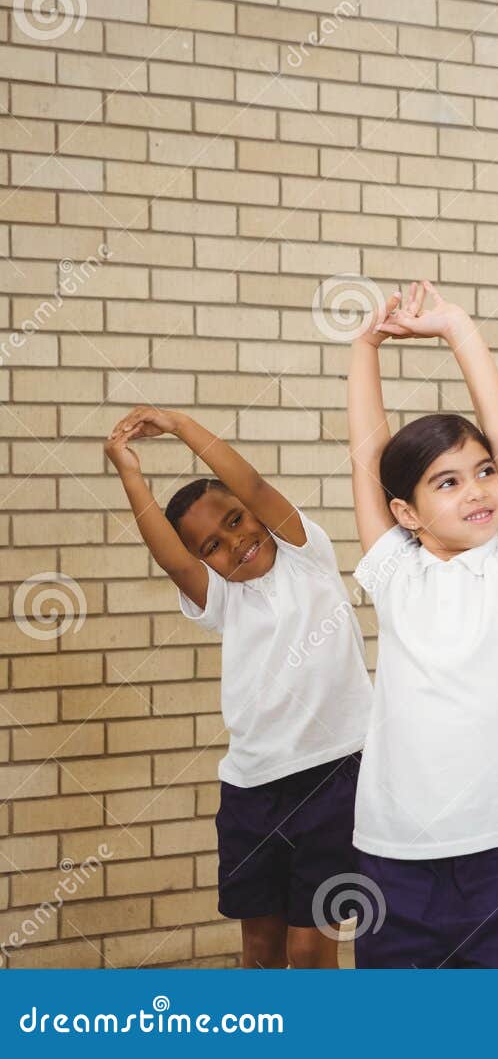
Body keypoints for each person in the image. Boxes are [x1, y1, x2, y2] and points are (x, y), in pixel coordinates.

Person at [345, 281, 498, 968]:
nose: (476, 488)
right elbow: (366, 454)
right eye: (447, 482)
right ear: (406, 512)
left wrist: (459, 329)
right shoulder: (395, 572)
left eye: (482, 473)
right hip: (397, 854)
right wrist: (364, 348)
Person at [105, 407, 370, 968]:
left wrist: (179, 425)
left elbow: (249, 481)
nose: (235, 542)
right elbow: (172, 560)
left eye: (234, 520)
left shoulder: (307, 556)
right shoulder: (225, 598)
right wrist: (131, 475)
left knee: (310, 944)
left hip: (333, 777)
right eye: (212, 547)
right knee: (261, 945)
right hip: (252, 790)